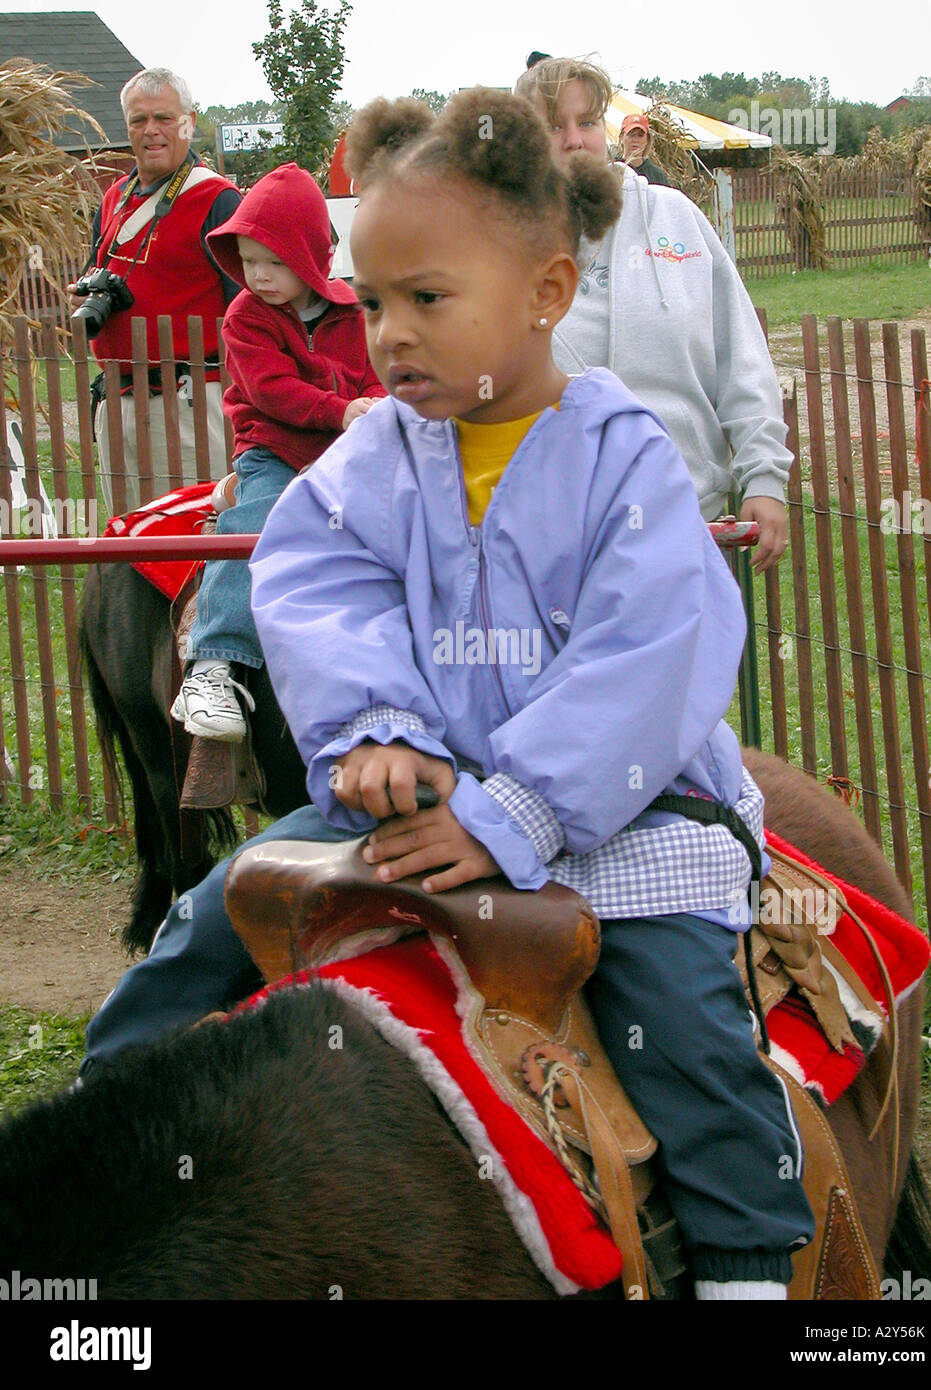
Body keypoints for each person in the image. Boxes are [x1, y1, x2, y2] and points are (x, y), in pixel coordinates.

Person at [82, 87, 813, 1298]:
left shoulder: (620, 453)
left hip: (615, 816)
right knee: (195, 939)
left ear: (546, 294)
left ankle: (743, 1270)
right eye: (371, 303)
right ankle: (100, 1186)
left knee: (686, 1030)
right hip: (418, 799)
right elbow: (318, 583)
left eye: (428, 299)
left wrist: (517, 808)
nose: (390, 335)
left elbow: (656, 645)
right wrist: (377, 729)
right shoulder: (375, 453)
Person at [515, 57, 792, 573]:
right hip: (556, 542)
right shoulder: (500, 247)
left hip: (689, 522)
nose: (574, 140)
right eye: (554, 126)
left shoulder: (677, 219)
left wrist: (765, 476)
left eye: (588, 122)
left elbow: (742, 358)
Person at [169, 162, 384, 742]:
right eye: (247, 260)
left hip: (349, 458)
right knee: (256, 528)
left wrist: (378, 408)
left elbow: (377, 378)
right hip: (276, 451)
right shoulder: (246, 315)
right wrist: (341, 411)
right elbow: (270, 389)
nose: (257, 276)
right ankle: (215, 664)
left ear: (311, 257)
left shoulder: (355, 314)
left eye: (274, 261)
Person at [68, 68, 241, 514]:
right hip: (118, 399)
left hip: (187, 401)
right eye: (138, 120)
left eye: (163, 118)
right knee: (130, 545)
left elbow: (242, 311)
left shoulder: (217, 199)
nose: (151, 131)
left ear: (189, 122)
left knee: (192, 542)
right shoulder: (114, 199)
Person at [616, 112, 670, 186]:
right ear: (621, 137)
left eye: (640, 135)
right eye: (631, 135)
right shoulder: (611, 170)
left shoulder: (657, 175)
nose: (635, 140)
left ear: (647, 140)